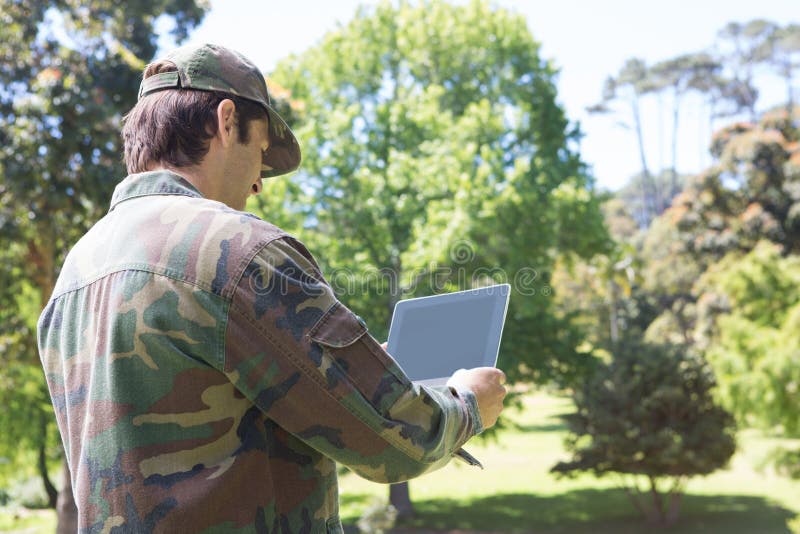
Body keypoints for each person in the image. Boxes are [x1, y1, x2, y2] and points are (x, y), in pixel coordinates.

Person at [37, 43, 506, 533]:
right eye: (261, 151)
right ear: (225, 121)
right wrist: (466, 402)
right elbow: (398, 443)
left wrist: (348, 377)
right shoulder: (239, 250)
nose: (259, 183)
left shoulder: (77, 270)